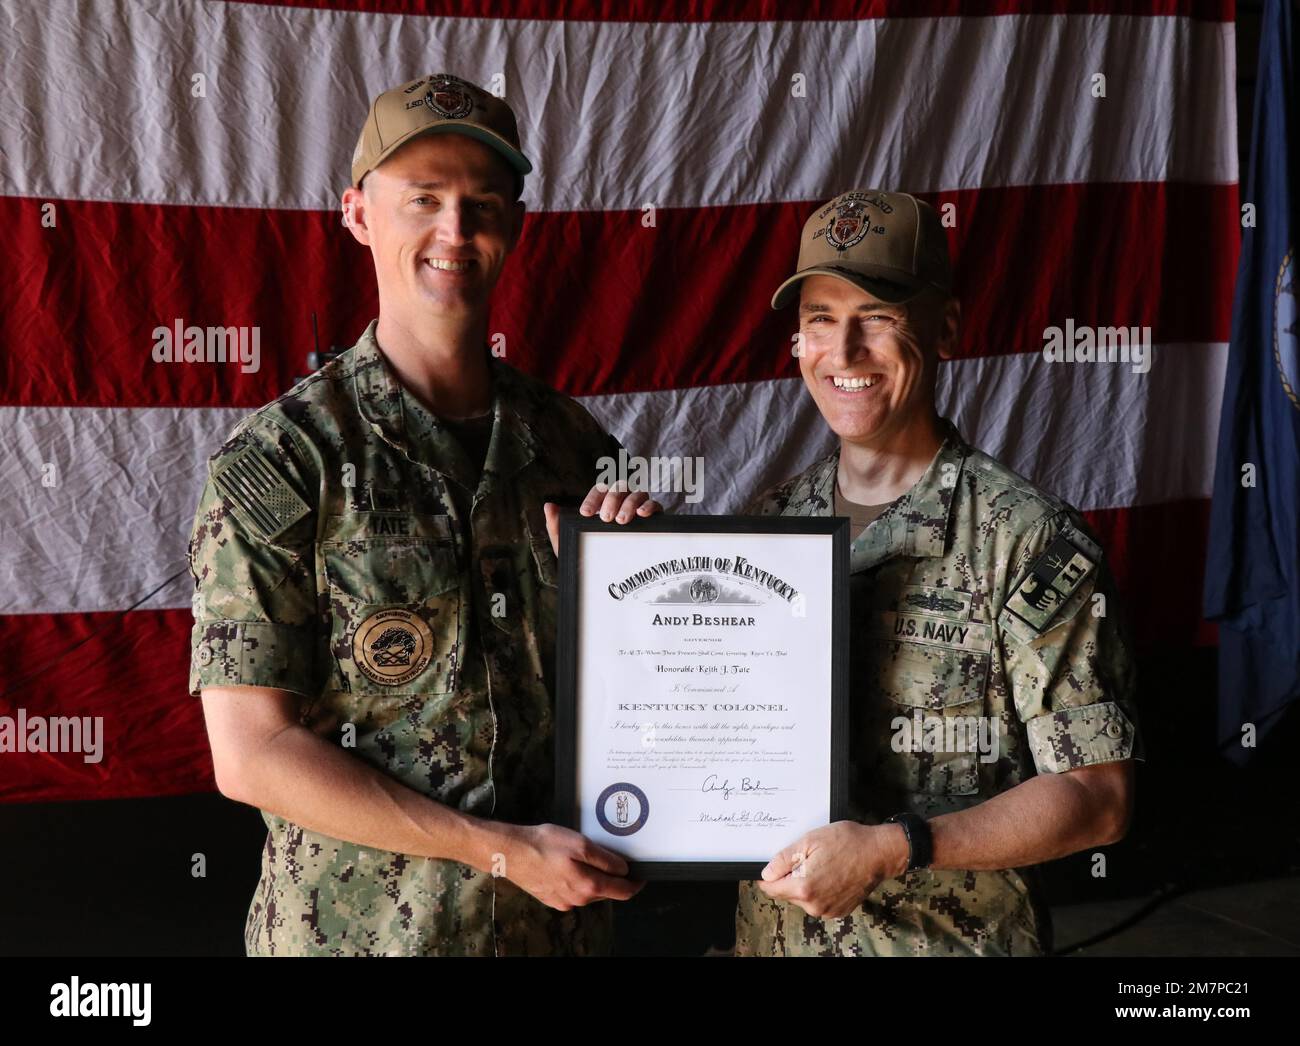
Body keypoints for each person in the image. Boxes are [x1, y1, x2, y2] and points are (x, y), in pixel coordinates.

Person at [187, 73, 656, 956]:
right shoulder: (286, 460)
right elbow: (251, 754)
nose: (455, 232)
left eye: (483, 204)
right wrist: (502, 852)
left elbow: (637, 709)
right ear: (358, 213)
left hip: (548, 938)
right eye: (425, 200)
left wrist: (646, 589)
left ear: (514, 227)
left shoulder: (573, 448)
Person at [734, 189, 1144, 956]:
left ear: (945, 328)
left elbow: (1098, 800)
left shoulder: (1030, 541)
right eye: (820, 318)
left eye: (879, 316)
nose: (844, 351)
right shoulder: (768, 525)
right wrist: (611, 565)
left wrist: (899, 846)